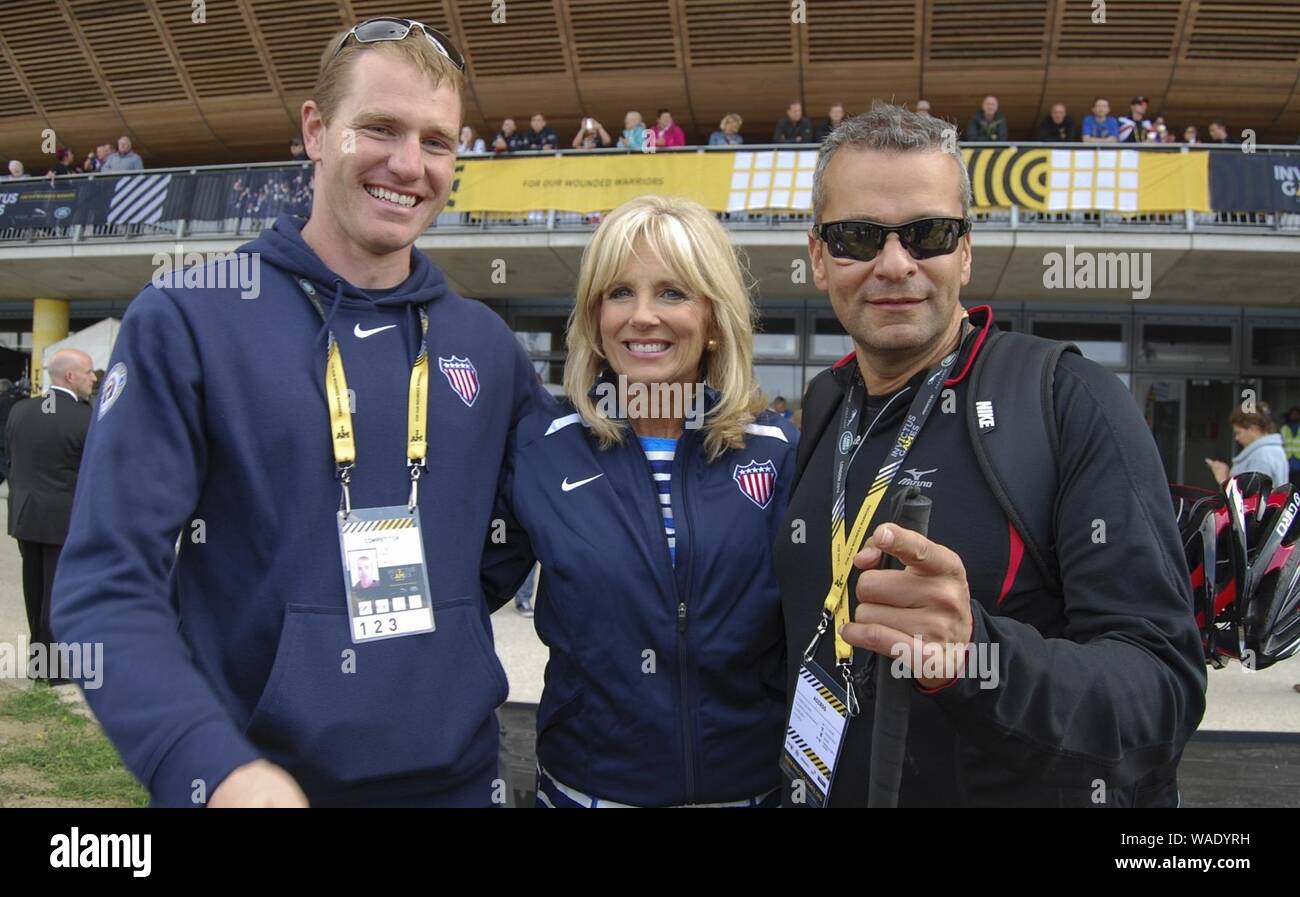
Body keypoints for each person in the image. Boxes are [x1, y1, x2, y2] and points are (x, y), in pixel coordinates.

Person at [52, 17, 547, 808]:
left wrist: (438, 620)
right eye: (379, 129)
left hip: (460, 784)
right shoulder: (188, 318)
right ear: (316, 131)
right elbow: (102, 585)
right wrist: (208, 763)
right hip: (256, 785)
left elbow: (546, 517)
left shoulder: (486, 346)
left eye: (438, 141)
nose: (408, 165)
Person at [777, 102, 1205, 807]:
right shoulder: (828, 404)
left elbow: (1161, 694)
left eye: (928, 234)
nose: (893, 263)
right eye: (857, 236)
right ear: (819, 257)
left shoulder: (1072, 400)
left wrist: (976, 654)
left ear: (965, 251)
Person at [500, 196, 798, 807]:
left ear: (714, 317)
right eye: (618, 293)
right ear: (593, 318)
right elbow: (459, 589)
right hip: (587, 790)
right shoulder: (541, 450)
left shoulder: (782, 454)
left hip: (752, 790)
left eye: (671, 293)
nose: (641, 316)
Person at [5, 350, 96, 682]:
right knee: (59, 595)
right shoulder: (87, 418)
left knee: (35, 591)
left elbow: (13, 461)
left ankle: (40, 664)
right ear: (70, 377)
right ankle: (57, 672)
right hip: (65, 519)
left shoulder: (20, 411)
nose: (94, 378)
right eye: (88, 372)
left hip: (26, 516)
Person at [1205, 406, 1289, 488]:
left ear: (1253, 429)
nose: (1236, 438)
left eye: (1238, 432)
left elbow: (1254, 499)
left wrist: (1223, 479)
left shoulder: (1260, 457)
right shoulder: (1274, 450)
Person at [1282, 406, 1300, 488]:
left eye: (1296, 414)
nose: (1294, 416)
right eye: (1292, 414)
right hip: (1287, 464)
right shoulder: (1284, 428)